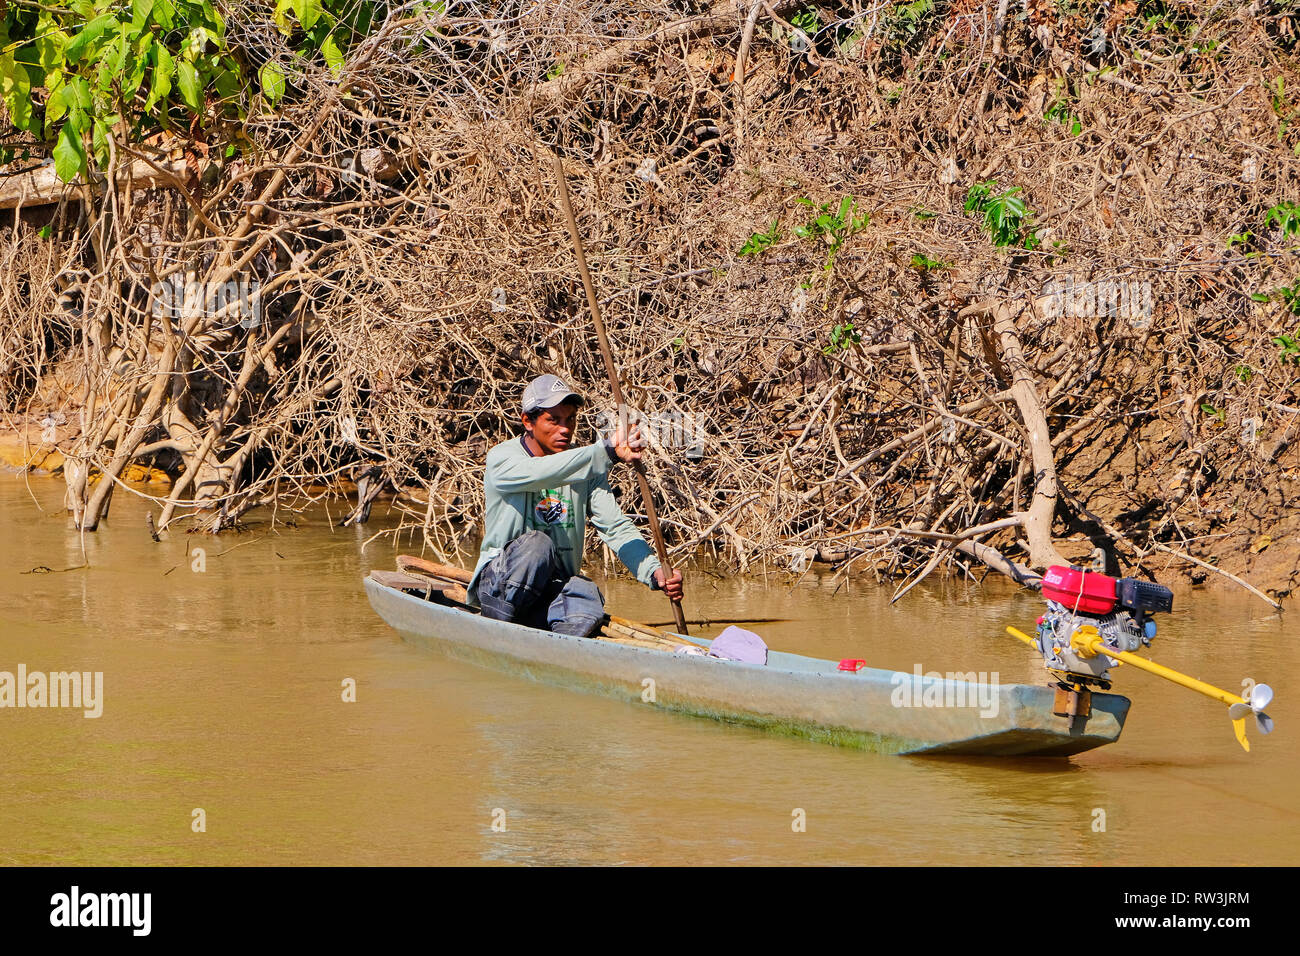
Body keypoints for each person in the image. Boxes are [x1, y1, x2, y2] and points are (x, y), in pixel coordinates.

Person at [467, 374, 685, 637]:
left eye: (570, 419)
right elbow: (541, 472)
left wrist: (653, 570)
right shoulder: (502, 459)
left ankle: (563, 646)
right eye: (553, 420)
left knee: (585, 592)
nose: (565, 429)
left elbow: (615, 526)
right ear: (528, 421)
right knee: (537, 545)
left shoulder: (586, 467)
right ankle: (499, 626)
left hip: (551, 587)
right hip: (500, 582)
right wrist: (606, 452)